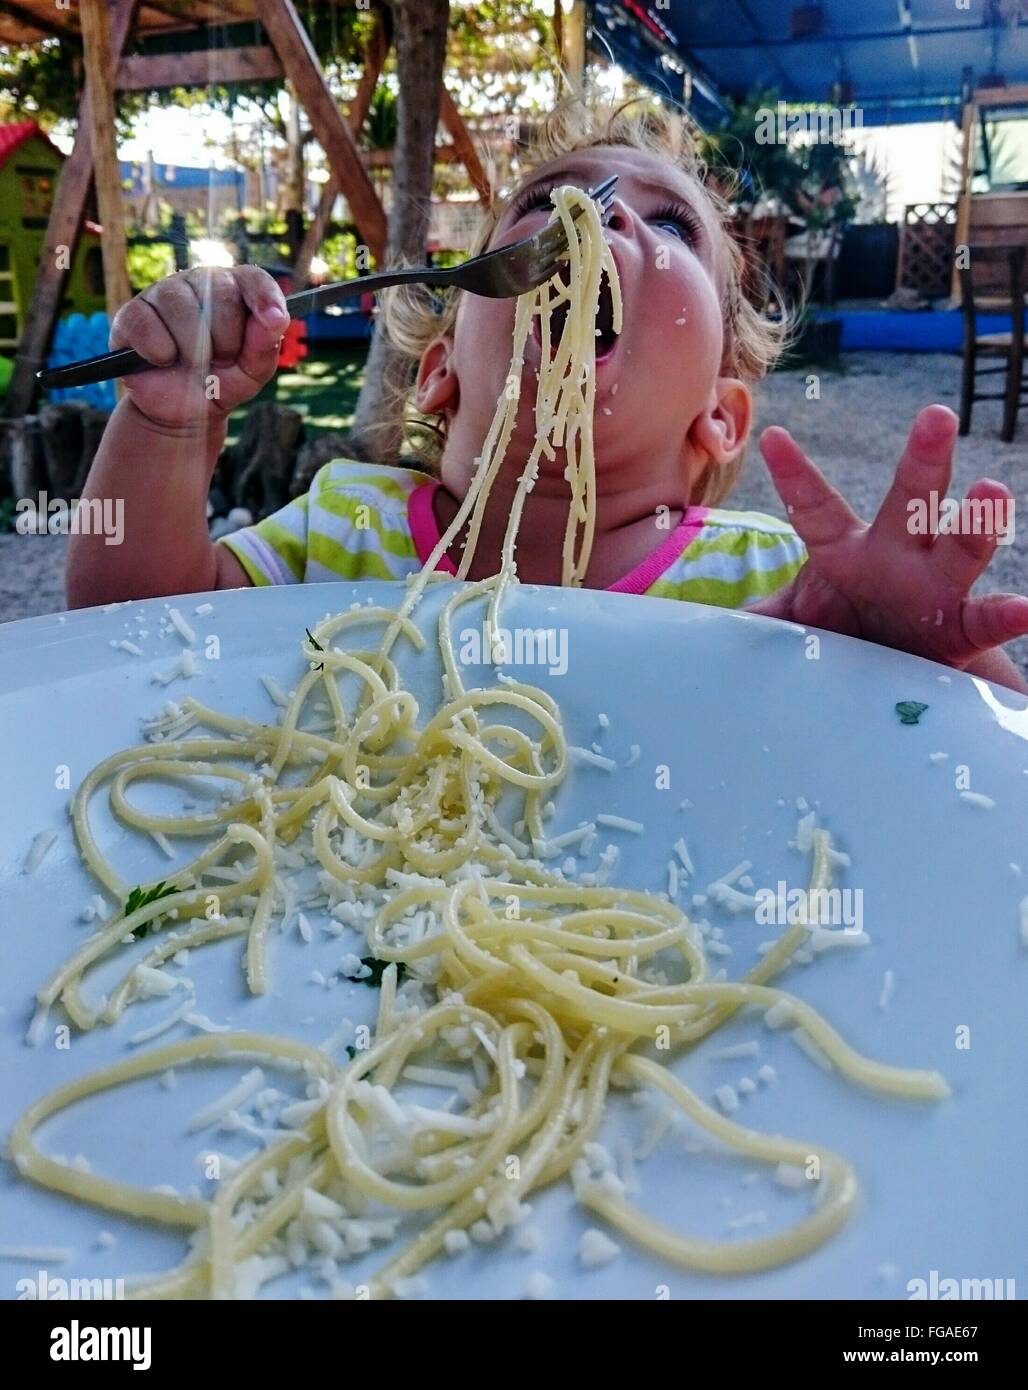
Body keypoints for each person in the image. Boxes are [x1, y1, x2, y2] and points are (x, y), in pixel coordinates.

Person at [65, 102, 1028, 694]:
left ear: (719, 417)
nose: (601, 215)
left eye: (672, 228)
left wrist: (912, 659)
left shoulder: (767, 585)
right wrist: (164, 422)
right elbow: (128, 634)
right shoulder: (341, 533)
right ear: (440, 372)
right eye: (545, 205)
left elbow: (968, 777)